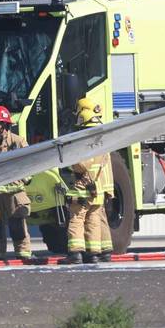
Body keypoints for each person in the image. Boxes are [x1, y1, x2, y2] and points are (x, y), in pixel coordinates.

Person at [0, 105, 32, 261]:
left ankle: (23, 254)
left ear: (4, 124)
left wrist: (25, 178)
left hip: (14, 193)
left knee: (17, 224)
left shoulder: (17, 141)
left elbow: (29, 162)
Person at [62, 105, 112, 264]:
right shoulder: (103, 144)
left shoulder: (86, 142)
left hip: (82, 192)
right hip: (97, 191)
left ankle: (75, 254)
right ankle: (94, 253)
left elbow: (82, 165)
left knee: (77, 220)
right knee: (93, 222)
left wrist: (69, 163)